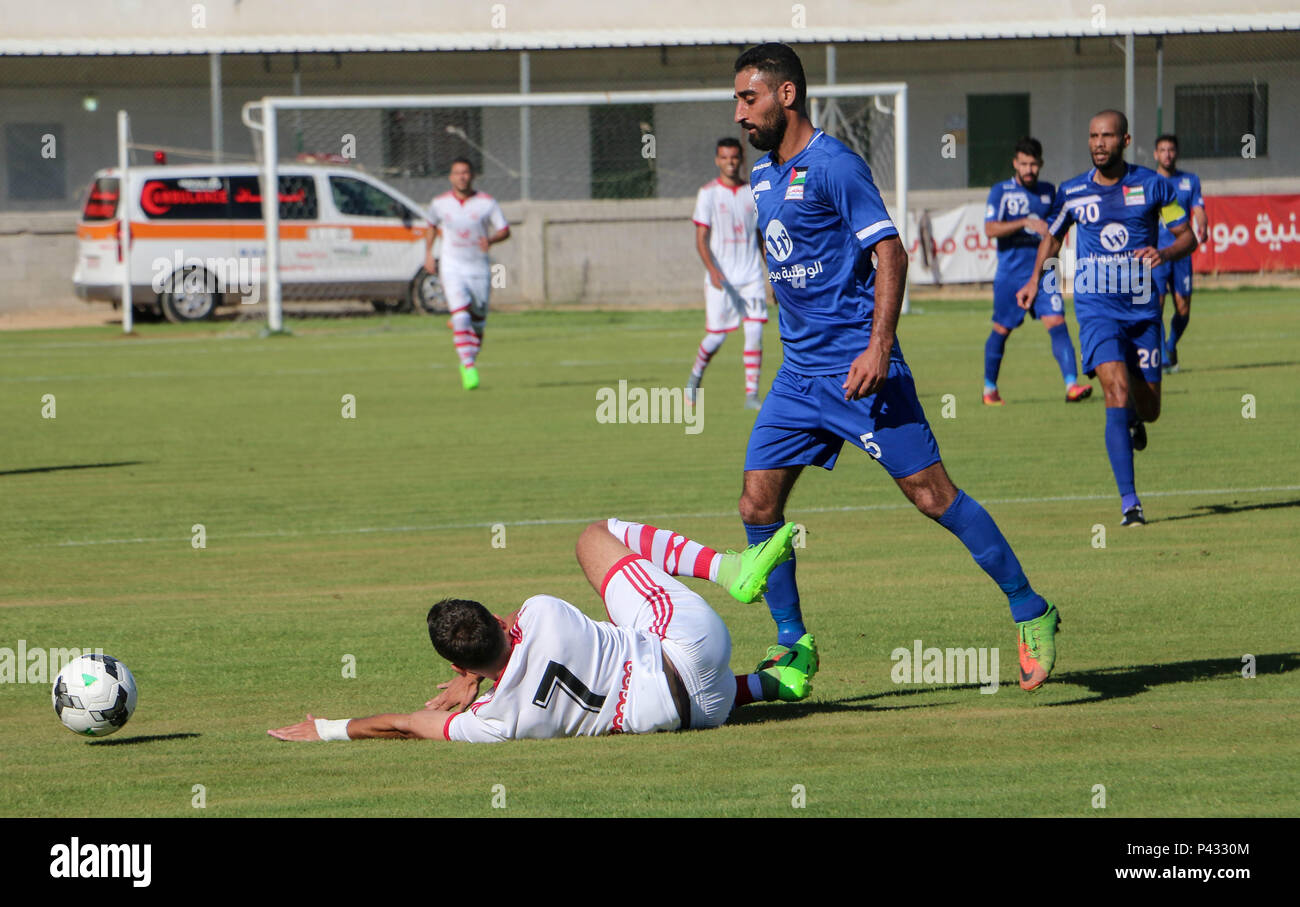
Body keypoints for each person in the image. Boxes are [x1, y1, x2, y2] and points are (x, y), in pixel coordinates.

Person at [730, 42, 1060, 692]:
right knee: (756, 501)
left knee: (932, 495)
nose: (740, 113)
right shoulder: (762, 175)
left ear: (786, 94)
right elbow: (786, 261)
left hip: (862, 372)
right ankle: (793, 644)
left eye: (749, 98)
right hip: (799, 378)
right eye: (737, 100)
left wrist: (879, 345)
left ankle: (1032, 609)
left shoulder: (834, 166)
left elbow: (891, 253)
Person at [267, 519, 816, 743]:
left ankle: (771, 684)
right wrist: (476, 674)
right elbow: (507, 638)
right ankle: (730, 570)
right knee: (596, 536)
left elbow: (408, 724)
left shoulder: (494, 723)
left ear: (458, 668)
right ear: (502, 622)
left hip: (694, 715)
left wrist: (330, 728)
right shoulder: (540, 611)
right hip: (692, 642)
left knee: (642, 687)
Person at [1016, 111, 1197, 526]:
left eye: (1107, 136)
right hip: (1096, 307)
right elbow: (1054, 238)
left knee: (1148, 408)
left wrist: (1164, 253)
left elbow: (1187, 235)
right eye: (1093, 135)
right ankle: (1130, 503)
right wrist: (1034, 282)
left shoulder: (1154, 185)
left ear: (1126, 139)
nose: (1099, 143)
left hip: (1143, 307)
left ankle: (1135, 417)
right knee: (1114, 390)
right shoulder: (1073, 191)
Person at [982, 136, 1092, 405]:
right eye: (1024, 164)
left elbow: (1056, 229)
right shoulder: (1001, 191)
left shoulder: (1049, 191)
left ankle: (1071, 386)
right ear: (1015, 163)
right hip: (1011, 275)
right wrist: (1025, 222)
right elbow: (990, 229)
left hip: (1044, 273)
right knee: (1001, 329)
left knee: (1057, 323)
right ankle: (989, 389)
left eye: (1033, 164)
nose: (1029, 169)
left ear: (1041, 164)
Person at [688, 137, 768, 410]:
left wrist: (772, 274)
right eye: (724, 157)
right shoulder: (708, 193)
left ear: (740, 160)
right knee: (716, 337)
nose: (730, 162)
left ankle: (751, 395)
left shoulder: (752, 192)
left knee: (755, 330)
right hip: (721, 279)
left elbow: (760, 237)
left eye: (734, 157)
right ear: (717, 160)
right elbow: (701, 238)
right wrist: (712, 271)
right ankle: (695, 378)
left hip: (751, 276)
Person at [425, 158, 510, 391]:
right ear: (451, 177)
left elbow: (505, 230)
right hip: (452, 266)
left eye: (466, 172)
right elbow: (430, 224)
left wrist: (490, 239)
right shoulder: (440, 203)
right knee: (461, 315)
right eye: (457, 173)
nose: (461, 177)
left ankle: (468, 358)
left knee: (479, 324)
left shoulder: (487, 203)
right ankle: (468, 365)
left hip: (479, 268)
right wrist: (429, 254)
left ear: (472, 176)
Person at [1151, 135, 1208, 373]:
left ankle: (1170, 345)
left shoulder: (1189, 180)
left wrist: (1203, 225)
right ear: (1156, 154)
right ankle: (1163, 357)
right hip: (1156, 253)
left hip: (1182, 252)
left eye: (1171, 150)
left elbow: (1199, 209)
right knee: (1157, 307)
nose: (1167, 154)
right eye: (1162, 150)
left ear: (1177, 153)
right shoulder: (1148, 181)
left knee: (1183, 310)